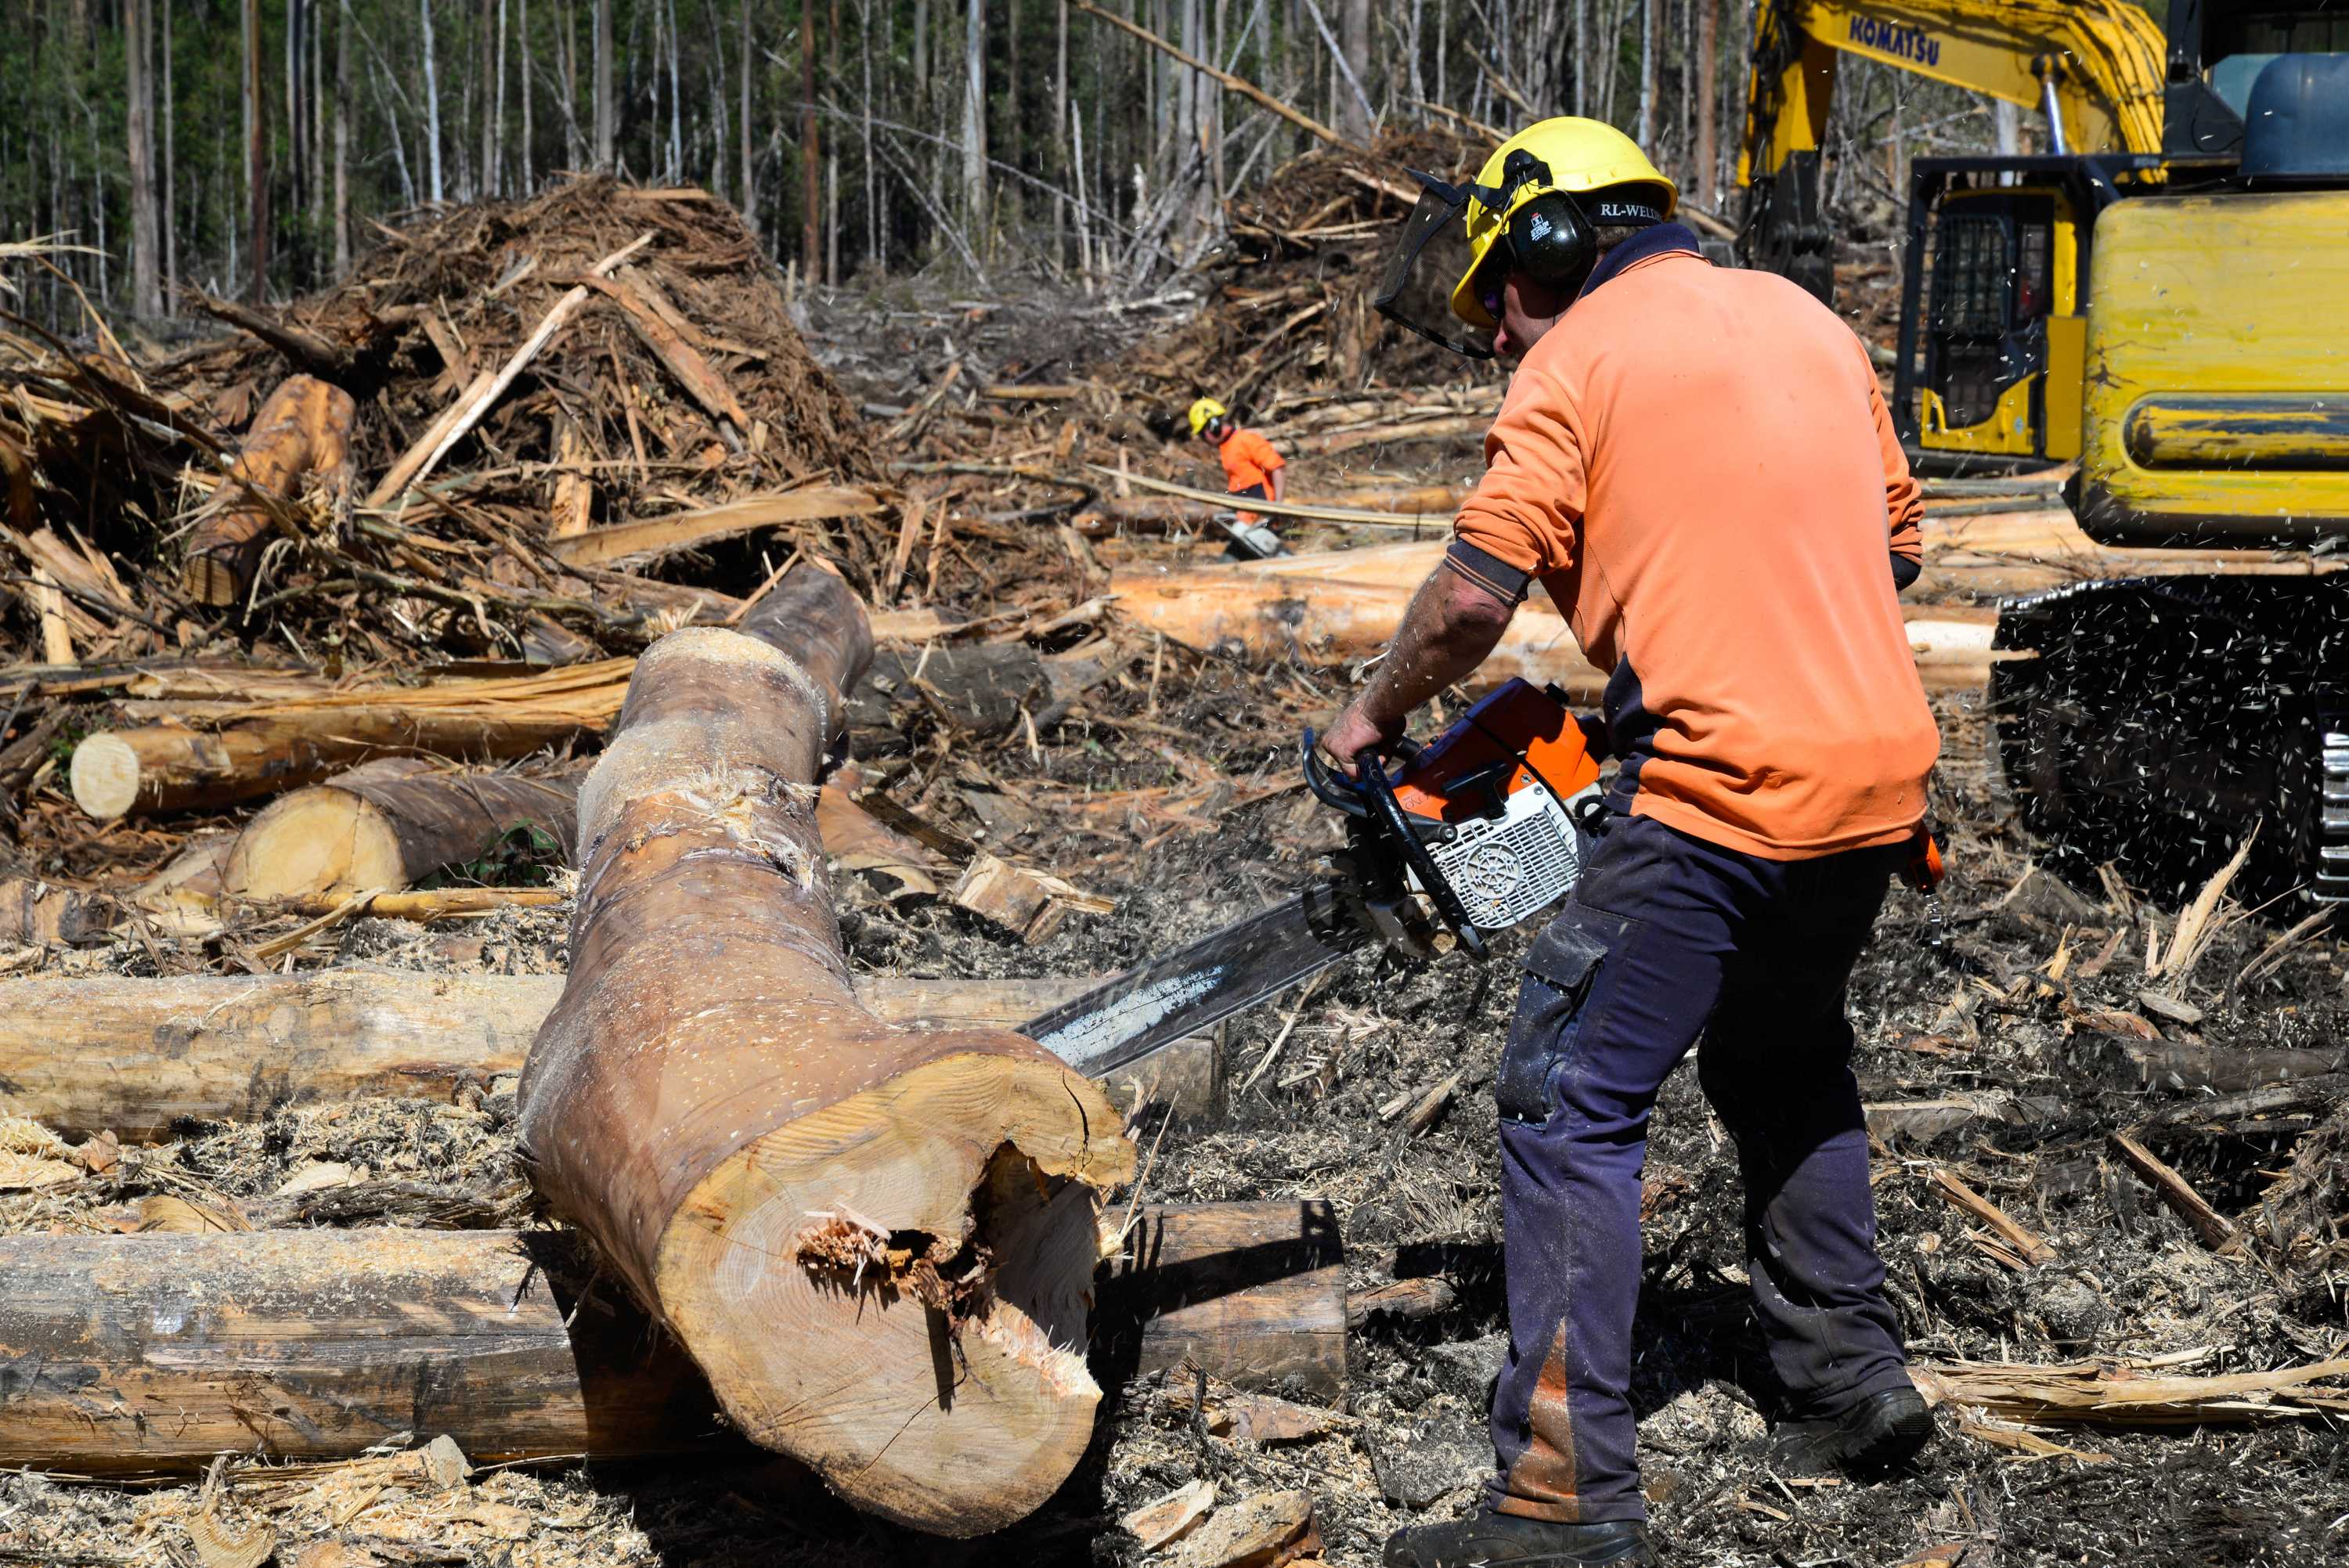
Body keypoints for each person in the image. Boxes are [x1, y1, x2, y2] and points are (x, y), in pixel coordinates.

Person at [1331, 117, 1942, 1568]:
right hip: (1874, 782)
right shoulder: (1806, 319)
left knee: (1566, 1095)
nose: (1498, 336)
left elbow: (1475, 600)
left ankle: (1560, 1498)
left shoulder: (1578, 360)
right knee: (1780, 1054)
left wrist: (1368, 718)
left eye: (1503, 298)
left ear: (1556, 245)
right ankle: (1850, 1385)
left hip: (1724, 788)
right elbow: (1894, 542)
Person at [1188, 396, 1288, 557]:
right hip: (1247, 522)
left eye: (1202, 435)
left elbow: (1278, 468)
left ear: (1212, 427)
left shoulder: (1246, 440)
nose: (1203, 440)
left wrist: (1277, 508)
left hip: (1261, 520)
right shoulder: (1227, 448)